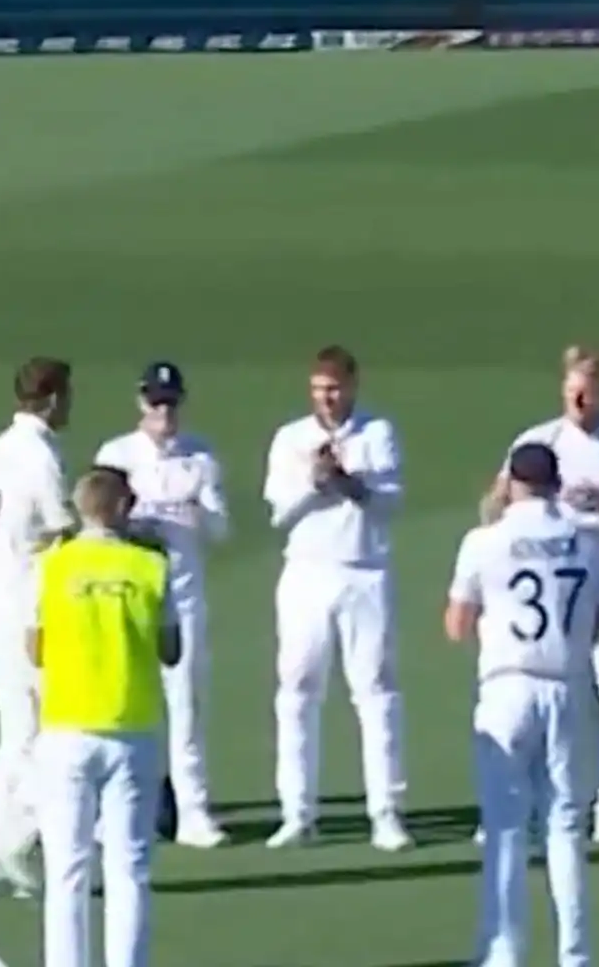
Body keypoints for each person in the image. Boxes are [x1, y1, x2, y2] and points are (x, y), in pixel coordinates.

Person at [479, 344, 599, 848]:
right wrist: (522, 497)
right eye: (574, 386)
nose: (580, 398)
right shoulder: (537, 441)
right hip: (547, 579)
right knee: (540, 686)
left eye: (591, 389)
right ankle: (535, 801)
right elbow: (492, 507)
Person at [448, 443, 598, 967]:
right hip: (569, 685)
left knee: (507, 825)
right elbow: (596, 624)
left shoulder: (484, 541)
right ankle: (575, 956)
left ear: (511, 481)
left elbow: (456, 624)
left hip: (508, 687)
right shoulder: (585, 540)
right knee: (564, 826)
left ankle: (503, 952)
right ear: (555, 484)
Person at [261, 345, 409, 851]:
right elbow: (279, 514)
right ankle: (297, 812)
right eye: (319, 390)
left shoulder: (377, 434)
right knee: (297, 688)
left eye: (336, 389)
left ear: (352, 385)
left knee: (375, 690)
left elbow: (390, 501)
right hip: (305, 574)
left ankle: (385, 812)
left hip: (364, 572)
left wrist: (346, 483)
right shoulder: (290, 439)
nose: (327, 399)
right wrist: (314, 483)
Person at [29, 467, 178, 967]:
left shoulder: (53, 565)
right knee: (128, 868)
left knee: (67, 869)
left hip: (68, 724)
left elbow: (35, 648)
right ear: (121, 508)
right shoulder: (151, 566)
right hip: (131, 724)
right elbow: (171, 649)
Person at [94, 362, 230, 848]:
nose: (163, 412)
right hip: (128, 599)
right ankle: (119, 810)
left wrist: (192, 514)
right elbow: (98, 520)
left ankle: (193, 811)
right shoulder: (117, 454)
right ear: (140, 404)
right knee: (123, 701)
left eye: (170, 403)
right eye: (155, 403)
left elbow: (221, 530)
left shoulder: (200, 457)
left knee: (186, 706)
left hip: (184, 597)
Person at [0, 357, 78, 899]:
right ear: (53, 399)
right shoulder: (40, 457)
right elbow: (63, 533)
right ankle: (7, 850)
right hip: (25, 609)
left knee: (20, 730)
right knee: (34, 734)